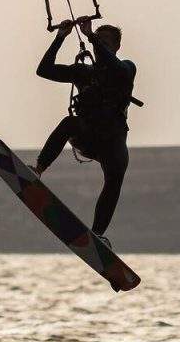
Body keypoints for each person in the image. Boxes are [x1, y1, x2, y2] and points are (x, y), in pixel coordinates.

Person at [34, 17, 137, 239]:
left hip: (113, 142)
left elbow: (115, 66)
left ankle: (97, 234)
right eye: (99, 41)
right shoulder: (83, 72)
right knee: (69, 122)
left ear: (117, 47)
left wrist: (92, 36)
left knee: (116, 175)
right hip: (88, 137)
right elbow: (44, 70)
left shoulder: (126, 68)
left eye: (106, 43)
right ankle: (39, 169)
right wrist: (60, 37)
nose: (101, 46)